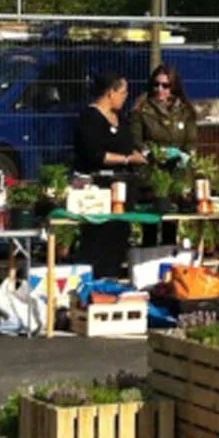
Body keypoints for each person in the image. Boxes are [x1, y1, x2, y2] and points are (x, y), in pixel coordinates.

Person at [72, 71, 143, 285]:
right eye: (122, 92)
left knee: (119, 235)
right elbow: (95, 153)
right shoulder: (90, 118)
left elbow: (128, 144)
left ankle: (111, 279)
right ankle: (92, 281)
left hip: (122, 187)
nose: (125, 96)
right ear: (110, 92)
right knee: (97, 235)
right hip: (97, 187)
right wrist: (126, 159)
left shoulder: (120, 118)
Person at [131, 64, 199, 159]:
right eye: (156, 84)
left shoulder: (185, 111)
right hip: (152, 164)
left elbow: (191, 142)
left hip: (179, 166)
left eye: (165, 85)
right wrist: (154, 155)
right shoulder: (141, 110)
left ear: (173, 86)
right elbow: (136, 141)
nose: (160, 89)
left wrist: (186, 157)